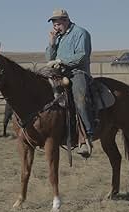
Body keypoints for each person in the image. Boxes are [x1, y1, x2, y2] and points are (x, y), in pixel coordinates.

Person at [45, 8, 94, 158]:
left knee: (79, 98)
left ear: (66, 20)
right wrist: (52, 44)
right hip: (58, 73)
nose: (55, 27)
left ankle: (87, 136)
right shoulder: (57, 37)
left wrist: (61, 61)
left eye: (58, 23)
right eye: (54, 24)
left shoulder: (80, 33)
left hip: (77, 73)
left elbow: (82, 55)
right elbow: (49, 58)